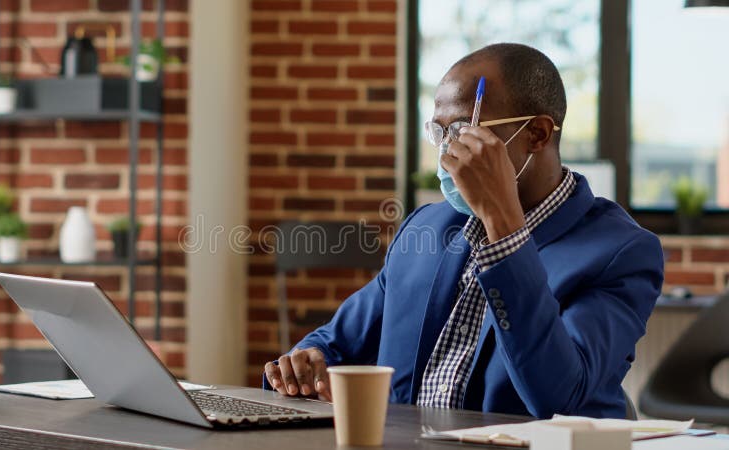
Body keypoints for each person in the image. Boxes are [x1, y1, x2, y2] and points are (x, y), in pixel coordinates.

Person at [263, 43, 664, 418]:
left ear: (537, 134)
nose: (446, 155)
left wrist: (505, 231)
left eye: (461, 131)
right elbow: (335, 343)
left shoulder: (621, 252)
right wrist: (308, 360)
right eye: (440, 134)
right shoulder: (426, 228)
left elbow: (558, 396)